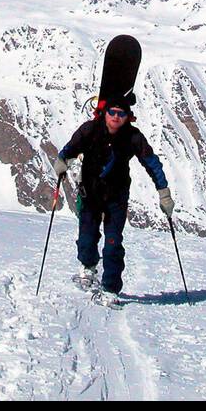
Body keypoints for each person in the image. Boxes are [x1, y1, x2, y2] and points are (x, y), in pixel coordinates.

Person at [53, 91, 174, 298]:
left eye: (121, 113)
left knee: (113, 243)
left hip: (116, 198)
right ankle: (88, 267)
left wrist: (164, 193)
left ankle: (110, 288)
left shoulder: (133, 137)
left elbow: (152, 163)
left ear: (128, 116)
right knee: (87, 238)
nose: (116, 117)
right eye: (112, 112)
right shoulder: (89, 130)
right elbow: (70, 149)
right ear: (105, 113)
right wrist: (62, 161)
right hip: (90, 193)